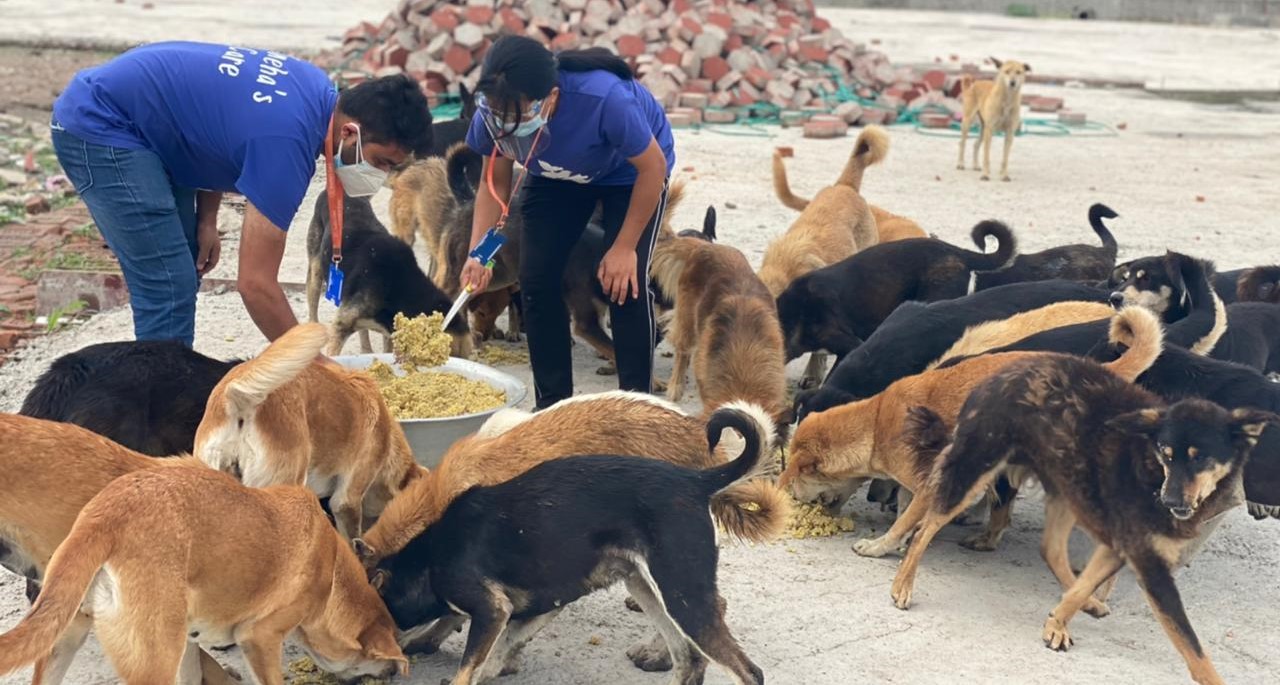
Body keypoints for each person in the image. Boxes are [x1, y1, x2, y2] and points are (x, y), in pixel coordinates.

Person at [51, 41, 433, 346]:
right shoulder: (285, 146)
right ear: (350, 133)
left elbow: (217, 138)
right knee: (168, 283)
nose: (381, 176)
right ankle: (159, 414)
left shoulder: (318, 91)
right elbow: (255, 284)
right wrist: (314, 368)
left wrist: (207, 219)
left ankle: (166, 374)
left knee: (184, 263)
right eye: (381, 162)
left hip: (153, 122)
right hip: (104, 122)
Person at [463, 36, 676, 409]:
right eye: (499, 117)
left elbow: (653, 170)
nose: (506, 125)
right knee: (536, 279)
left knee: (624, 283)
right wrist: (479, 253)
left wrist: (624, 247)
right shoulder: (493, 112)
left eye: (519, 117)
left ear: (552, 98)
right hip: (555, 177)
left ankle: (638, 408)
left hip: (629, 176)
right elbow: (492, 183)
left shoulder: (604, 100)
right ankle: (553, 406)